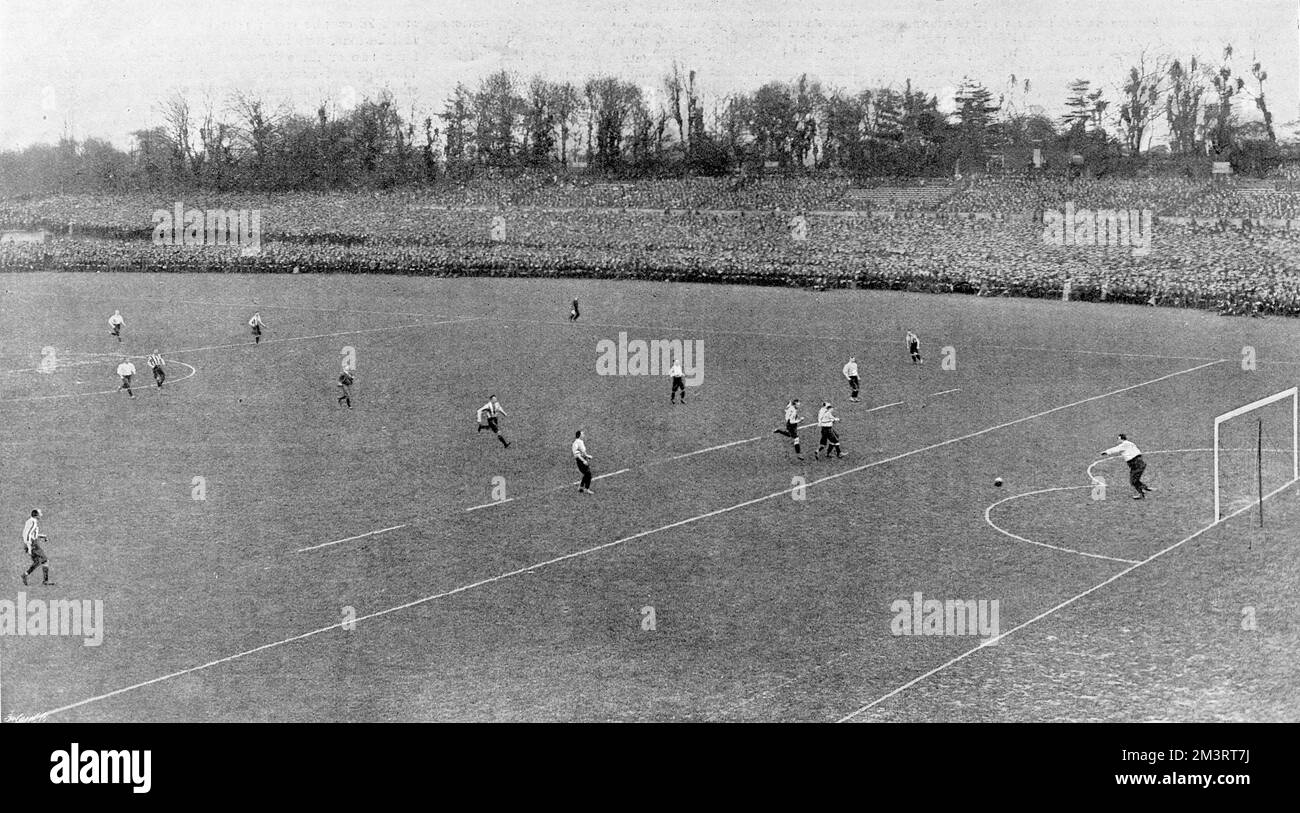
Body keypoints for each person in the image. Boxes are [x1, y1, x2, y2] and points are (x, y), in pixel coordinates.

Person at [1100, 433, 1155, 499]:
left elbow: (1115, 449)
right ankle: (1144, 488)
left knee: (1133, 480)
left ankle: (1143, 491)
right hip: (1139, 463)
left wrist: (1106, 452)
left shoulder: (1124, 445)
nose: (1117, 440)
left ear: (1120, 439)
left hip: (1135, 464)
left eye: (1118, 439)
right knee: (1134, 479)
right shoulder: (1131, 443)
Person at [21, 509, 51, 586]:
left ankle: (25, 574)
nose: (41, 514)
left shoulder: (30, 521)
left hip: (31, 543)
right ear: (36, 515)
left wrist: (42, 536)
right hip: (32, 544)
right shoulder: (33, 522)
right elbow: (27, 535)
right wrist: (29, 547)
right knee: (45, 560)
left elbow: (31, 534)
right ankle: (45, 581)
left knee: (37, 562)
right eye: (40, 513)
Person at [573, 429, 593, 494]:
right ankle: (586, 489)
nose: (584, 435)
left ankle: (581, 487)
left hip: (582, 459)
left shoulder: (580, 442)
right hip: (580, 461)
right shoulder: (577, 442)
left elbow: (582, 452)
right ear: (579, 435)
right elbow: (577, 454)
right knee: (588, 474)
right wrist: (584, 460)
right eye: (582, 434)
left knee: (586, 474)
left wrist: (587, 456)